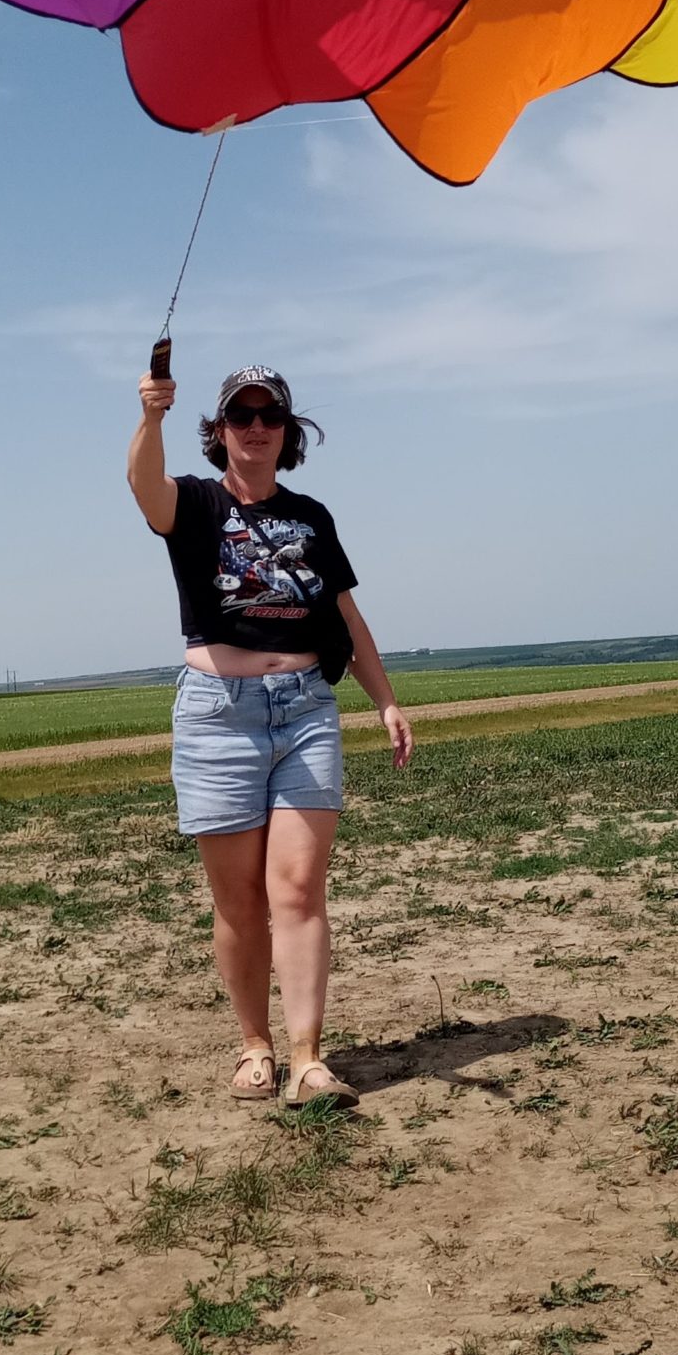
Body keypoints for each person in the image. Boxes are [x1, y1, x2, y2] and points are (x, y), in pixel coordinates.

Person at [128, 363, 412, 1106]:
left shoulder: (311, 516)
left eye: (271, 416)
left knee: (298, 887)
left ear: (288, 433)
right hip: (219, 715)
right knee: (239, 902)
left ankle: (308, 1058)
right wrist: (151, 418)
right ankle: (255, 1047)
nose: (257, 427)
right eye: (242, 415)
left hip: (306, 708)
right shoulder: (192, 502)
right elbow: (143, 488)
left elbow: (346, 615)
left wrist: (384, 700)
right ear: (219, 431)